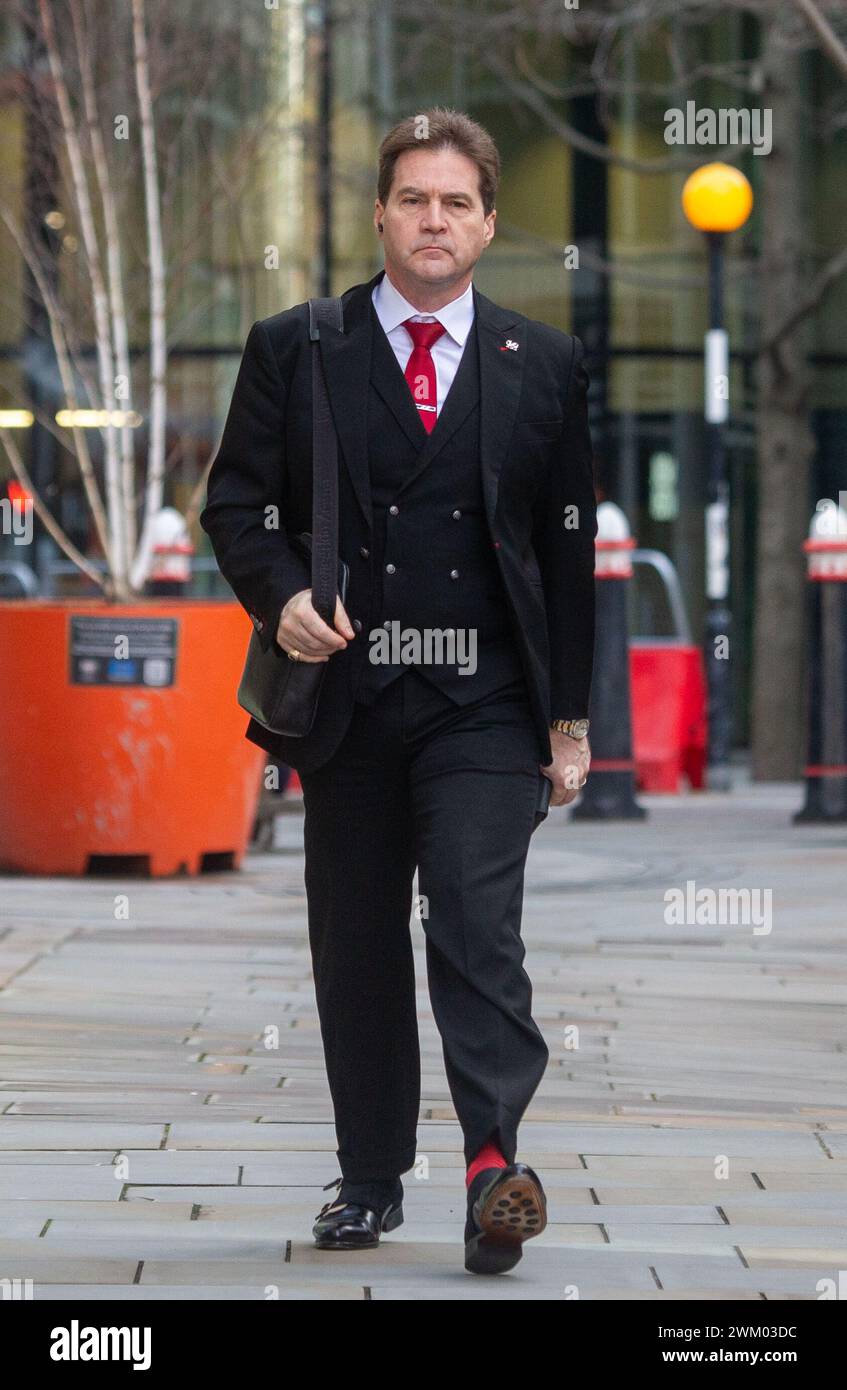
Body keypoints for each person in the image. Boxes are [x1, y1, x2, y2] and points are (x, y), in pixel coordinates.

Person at [200, 107, 597, 1276]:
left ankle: (490, 1168)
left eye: (457, 202)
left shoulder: (544, 363)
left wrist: (568, 723)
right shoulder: (300, 345)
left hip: (484, 702)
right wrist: (279, 596)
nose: (435, 219)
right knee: (357, 938)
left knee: (478, 925)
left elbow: (565, 552)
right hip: (352, 701)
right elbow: (236, 503)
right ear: (381, 213)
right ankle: (370, 1177)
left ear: (486, 224)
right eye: (414, 199)